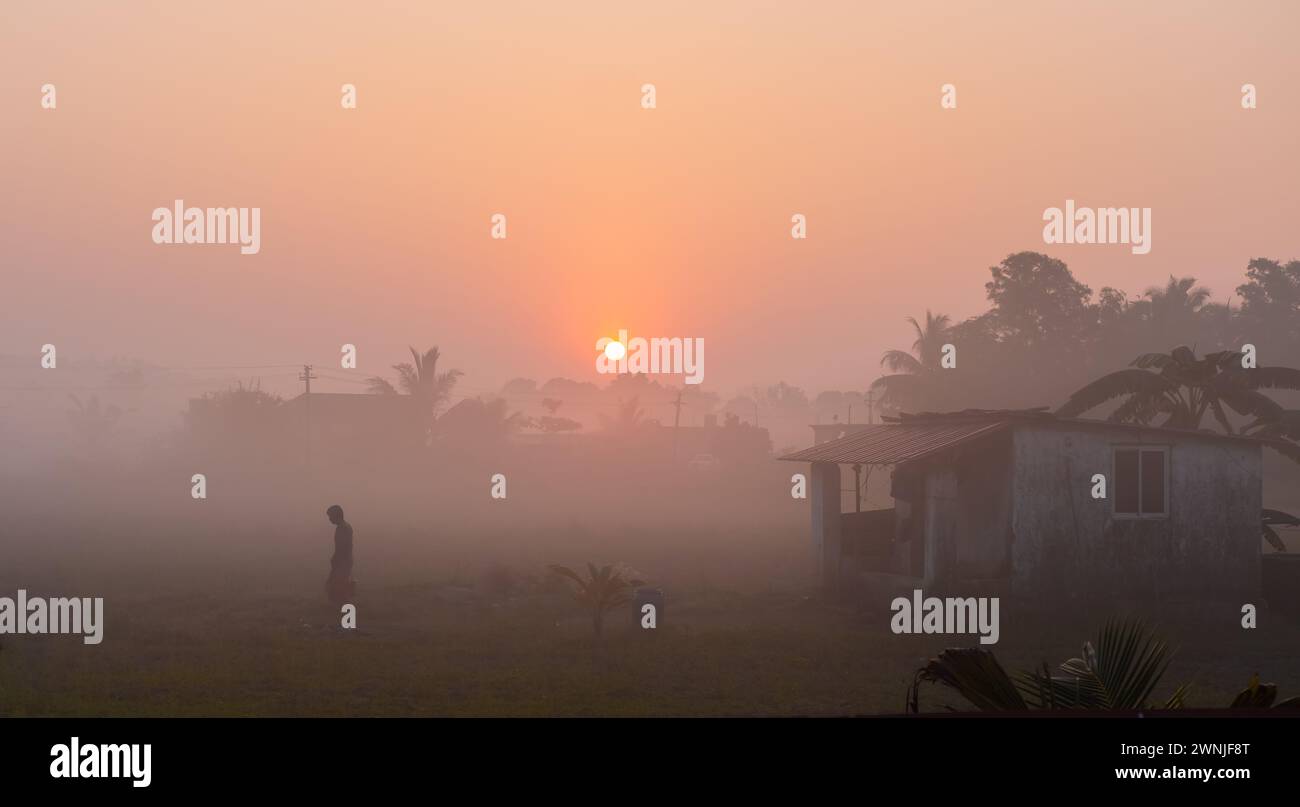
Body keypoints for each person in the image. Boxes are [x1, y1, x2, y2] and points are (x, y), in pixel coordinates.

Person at [325, 505, 355, 608]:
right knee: (339, 585)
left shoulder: (342, 528)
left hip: (342, 561)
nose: (329, 519)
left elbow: (341, 547)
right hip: (345, 560)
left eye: (330, 516)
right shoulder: (346, 526)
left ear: (336, 516)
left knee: (338, 586)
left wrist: (336, 559)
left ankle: (342, 609)